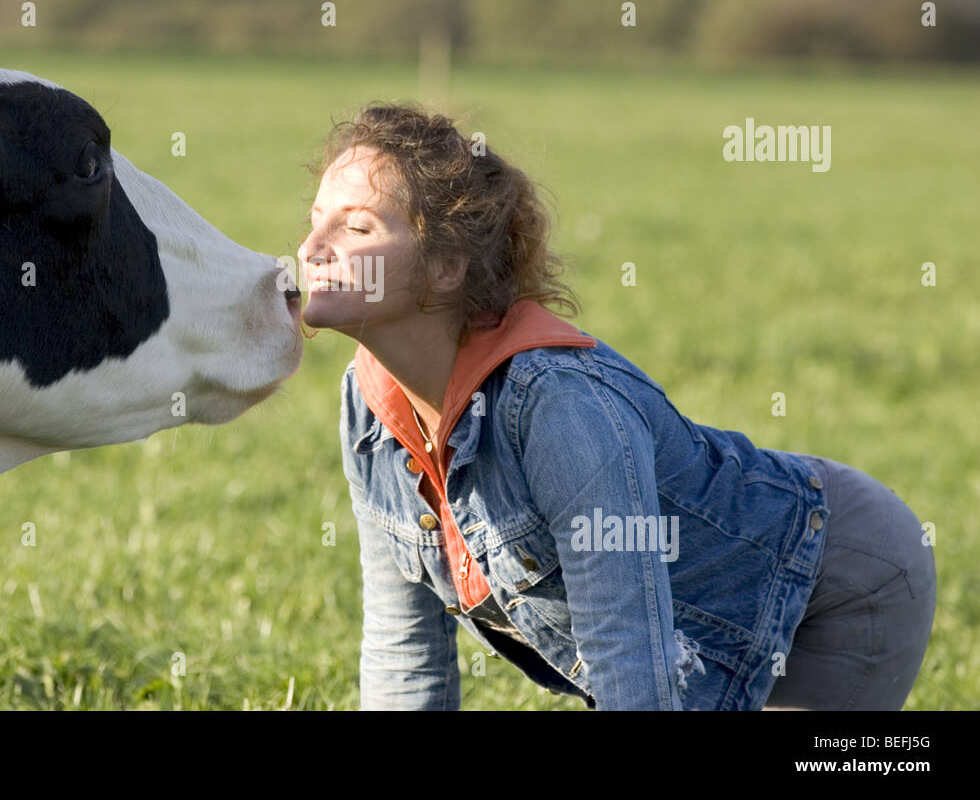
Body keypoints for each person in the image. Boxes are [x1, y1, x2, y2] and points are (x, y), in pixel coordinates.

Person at [295, 102, 936, 710]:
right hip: (700, 626)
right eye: (314, 218)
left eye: (355, 227)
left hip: (839, 580)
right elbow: (404, 653)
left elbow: (630, 664)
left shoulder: (557, 408)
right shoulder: (369, 403)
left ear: (447, 266)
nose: (311, 246)